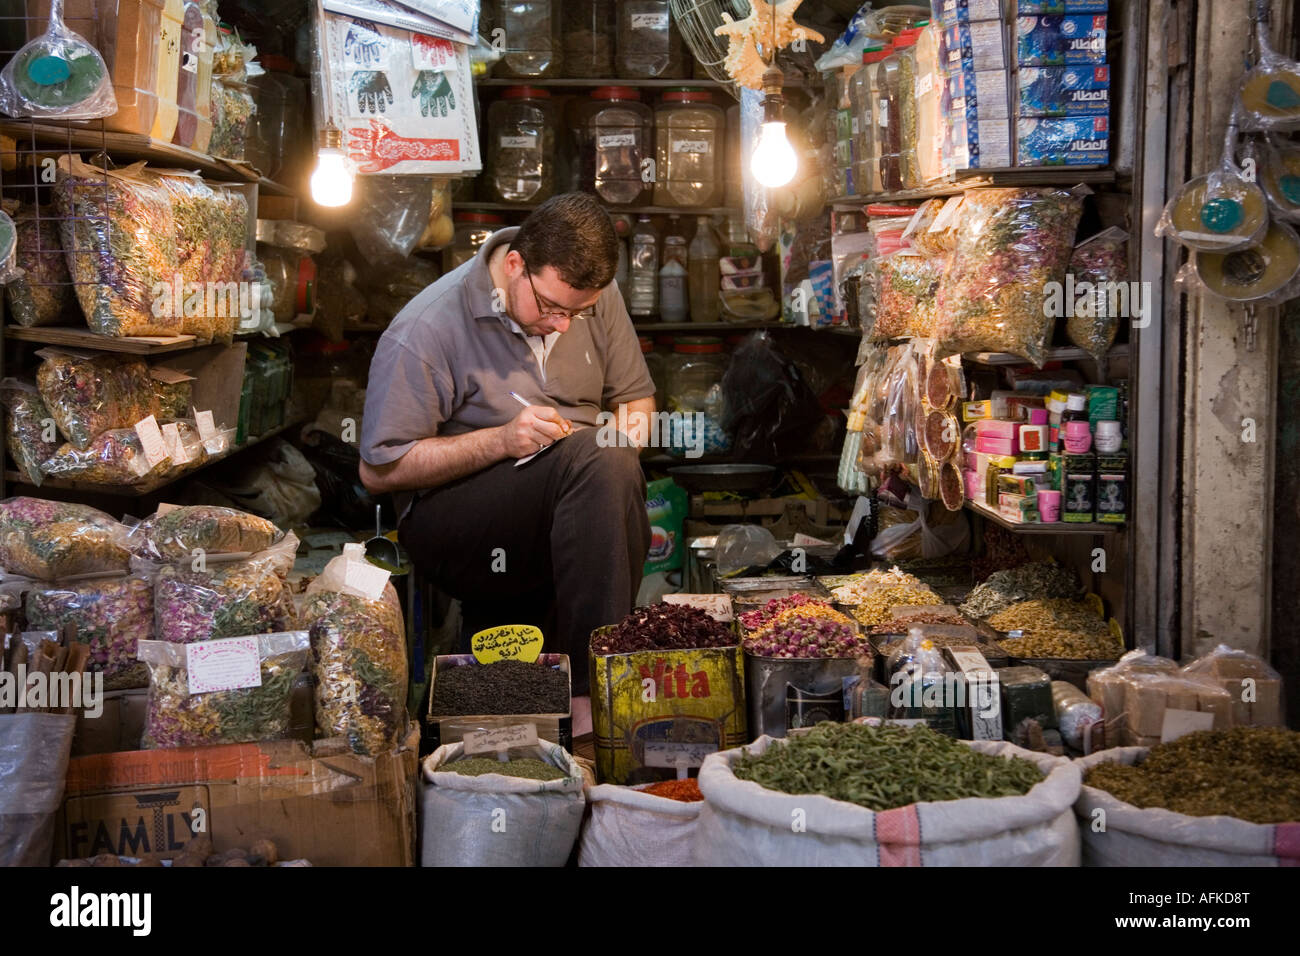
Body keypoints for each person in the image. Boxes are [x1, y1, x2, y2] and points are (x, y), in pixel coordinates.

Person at [359, 193, 656, 729]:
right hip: (454, 516)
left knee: (609, 465)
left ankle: (582, 686)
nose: (565, 324)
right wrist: (500, 441)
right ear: (515, 265)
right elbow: (380, 471)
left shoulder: (589, 294)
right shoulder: (427, 328)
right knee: (599, 464)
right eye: (550, 308)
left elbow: (636, 402)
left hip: (568, 494)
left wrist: (611, 457)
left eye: (579, 312)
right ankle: (591, 706)